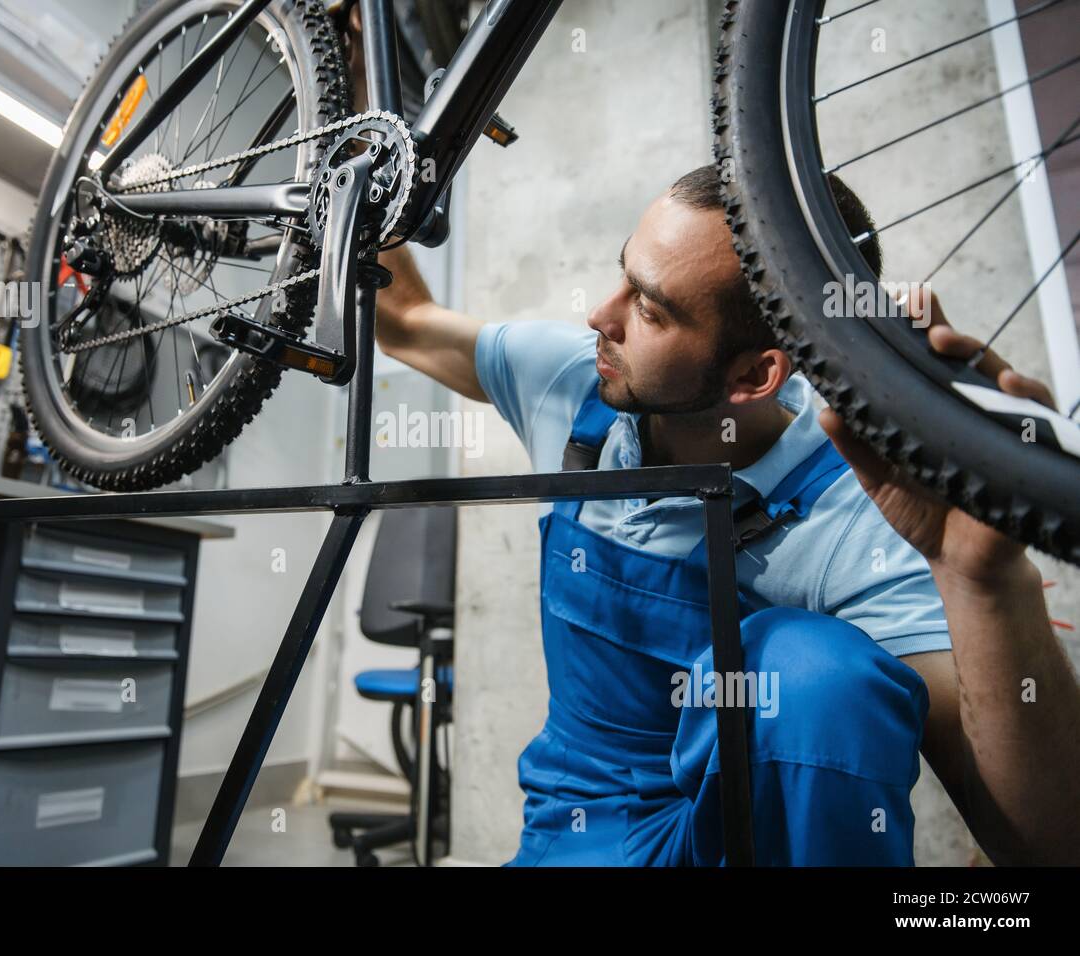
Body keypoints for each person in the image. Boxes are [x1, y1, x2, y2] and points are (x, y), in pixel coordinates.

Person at [343, 11, 1080, 867]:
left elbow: (1048, 847)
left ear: (755, 377)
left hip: (730, 846)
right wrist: (357, 94)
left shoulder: (856, 522)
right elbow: (405, 319)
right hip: (572, 843)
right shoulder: (573, 381)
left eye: (650, 310)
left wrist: (982, 579)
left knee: (812, 674)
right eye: (623, 277)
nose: (600, 316)